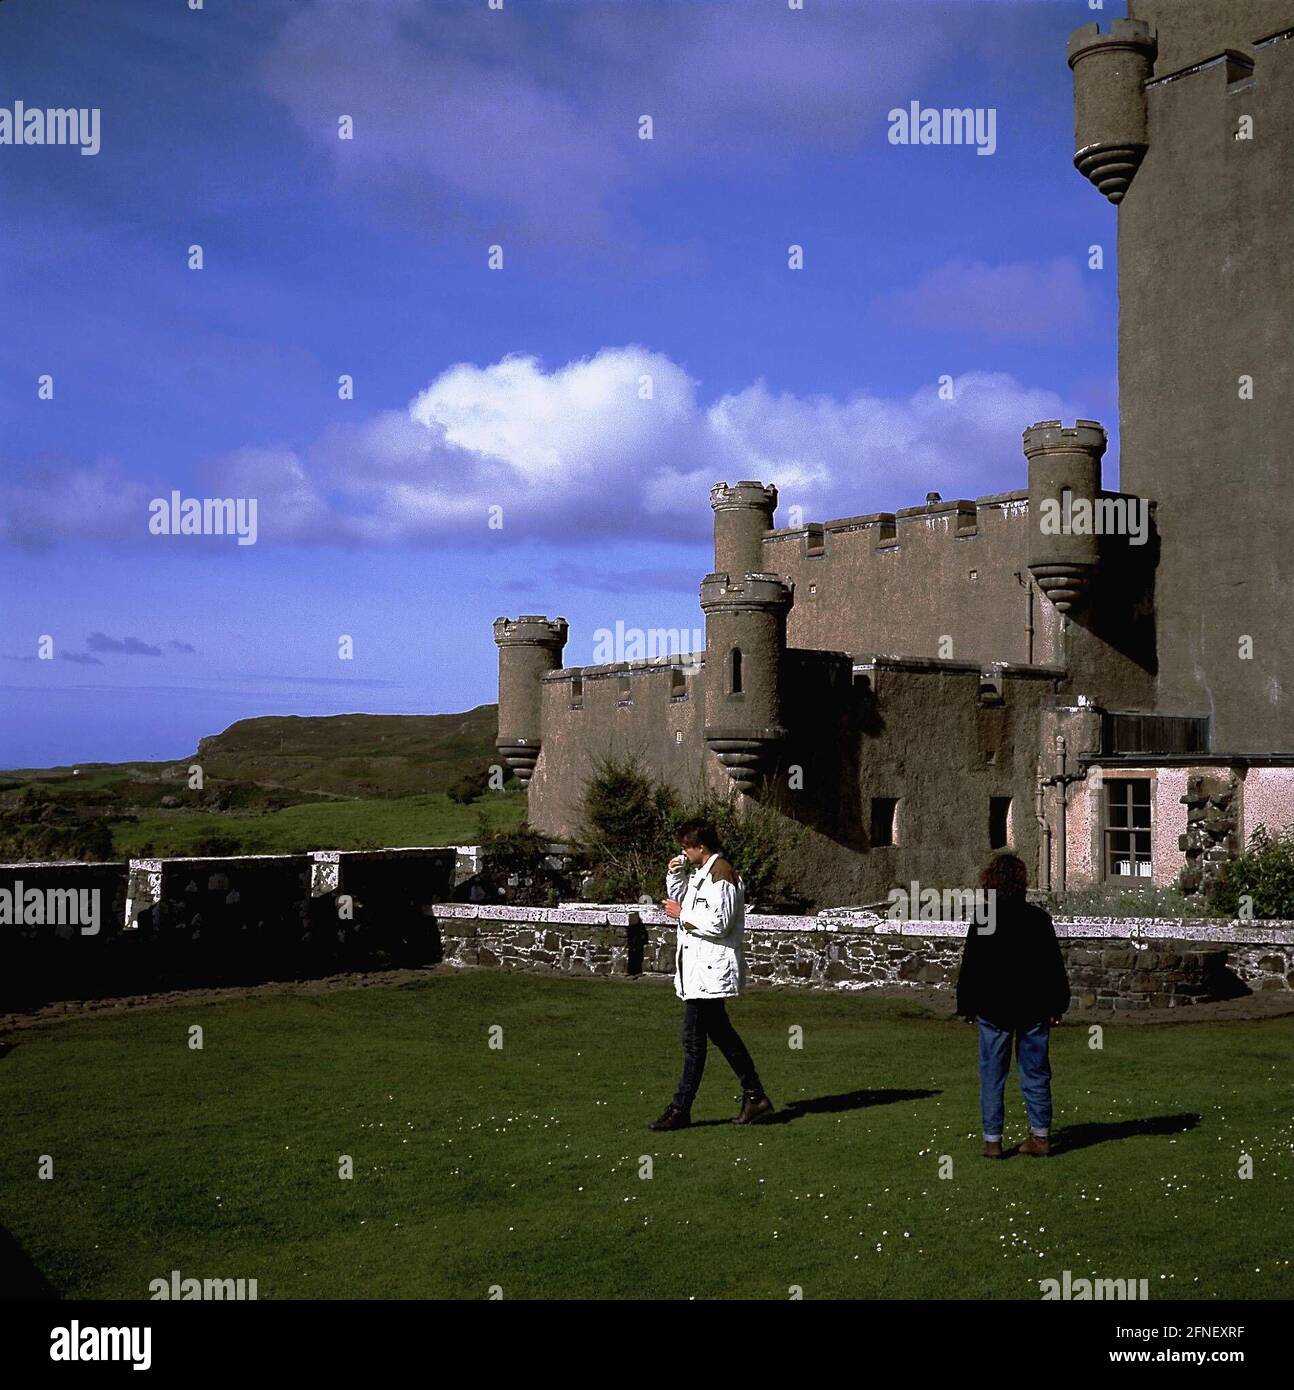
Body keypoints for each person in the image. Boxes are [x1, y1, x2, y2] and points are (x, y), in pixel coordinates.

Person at [646, 820, 773, 1131]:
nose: (683, 853)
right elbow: (681, 899)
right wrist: (675, 874)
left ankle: (680, 1108)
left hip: (710, 971)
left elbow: (720, 924)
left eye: (686, 848)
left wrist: (682, 916)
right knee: (721, 1034)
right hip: (698, 971)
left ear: (699, 847)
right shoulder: (702, 874)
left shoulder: (722, 876)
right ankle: (755, 1097)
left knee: (693, 1040)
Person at [955, 852, 1070, 1158]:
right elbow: (1053, 967)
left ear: (990, 883)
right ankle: (1040, 1136)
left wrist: (966, 1005)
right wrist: (1058, 1005)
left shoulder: (985, 920)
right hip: (1033, 1007)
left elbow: (972, 967)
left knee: (992, 1074)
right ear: (1021, 883)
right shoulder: (1038, 920)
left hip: (994, 1008)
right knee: (1035, 1072)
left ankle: (993, 1141)